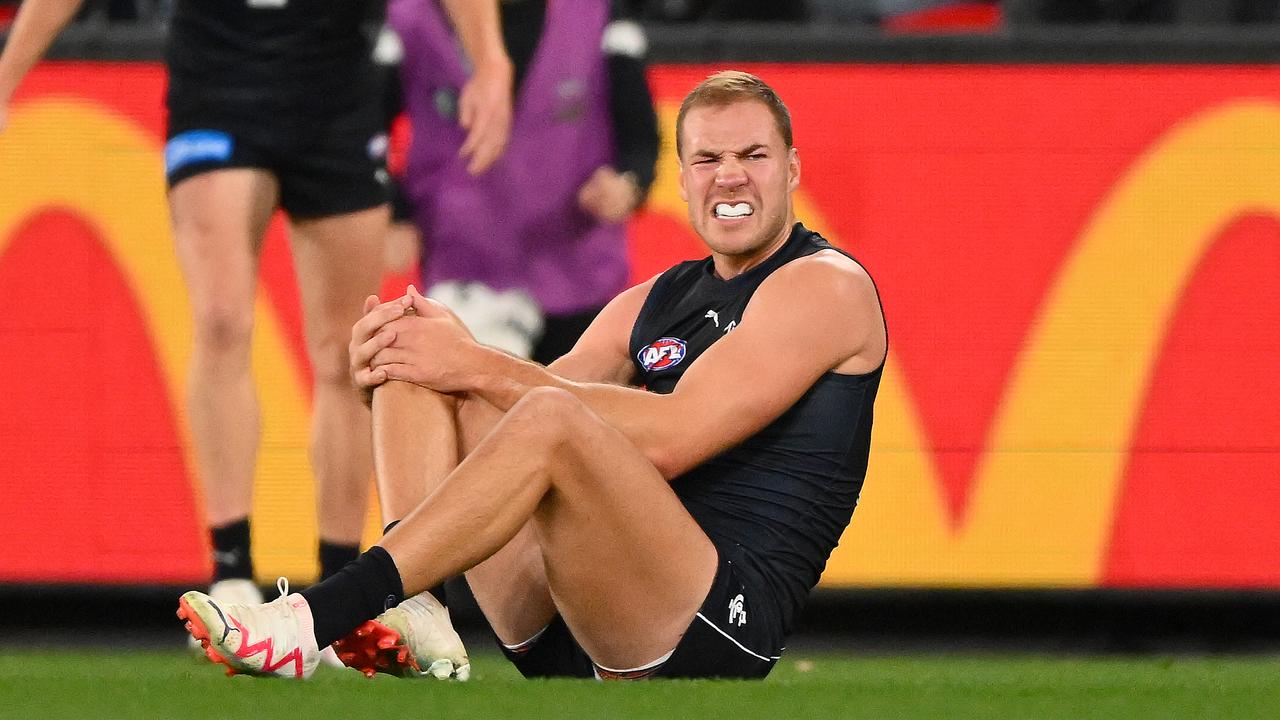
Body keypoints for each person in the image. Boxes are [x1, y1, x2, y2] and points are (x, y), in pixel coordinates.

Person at [177, 70, 888, 681]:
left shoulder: (824, 287)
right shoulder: (658, 299)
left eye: (753, 155)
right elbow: (522, 403)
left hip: (713, 626)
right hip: (580, 617)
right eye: (708, 159)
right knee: (415, 344)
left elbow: (671, 435)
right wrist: (437, 356)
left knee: (539, 411)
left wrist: (478, 363)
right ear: (683, 179)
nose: (729, 175)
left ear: (792, 169)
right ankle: (418, 608)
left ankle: (316, 617)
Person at [0, 0, 512, 631]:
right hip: (219, 87)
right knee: (220, 320)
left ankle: (338, 588)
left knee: (348, 349)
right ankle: (231, 567)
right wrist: (7, 73)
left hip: (336, 91)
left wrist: (489, 59)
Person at [390, 0, 660, 365]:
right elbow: (360, 122)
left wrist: (627, 183)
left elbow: (640, 130)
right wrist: (395, 211)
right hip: (465, 262)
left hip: (575, 262)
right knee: (476, 414)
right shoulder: (412, 15)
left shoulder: (599, 11)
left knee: (575, 412)